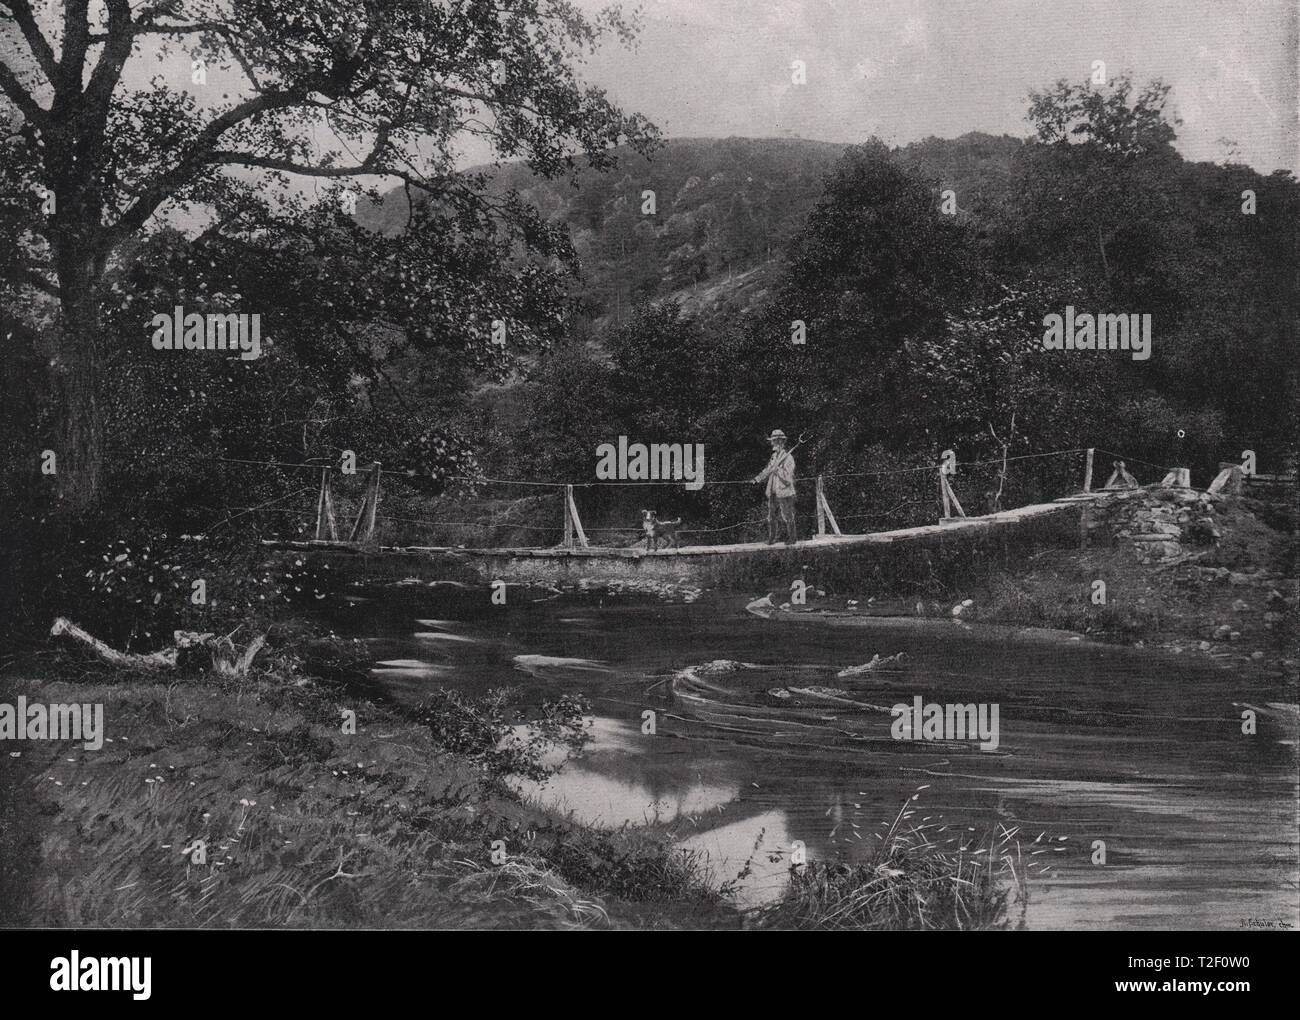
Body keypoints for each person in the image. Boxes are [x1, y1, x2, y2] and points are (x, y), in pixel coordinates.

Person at [754, 429, 797, 545]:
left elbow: (788, 478)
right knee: (771, 516)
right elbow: (768, 470)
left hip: (784, 492)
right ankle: (771, 539)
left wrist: (777, 470)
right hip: (773, 491)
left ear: (780, 442)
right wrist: (757, 479)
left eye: (774, 441)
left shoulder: (788, 458)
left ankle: (792, 539)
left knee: (787, 516)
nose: (772, 444)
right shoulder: (773, 457)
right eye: (772, 441)